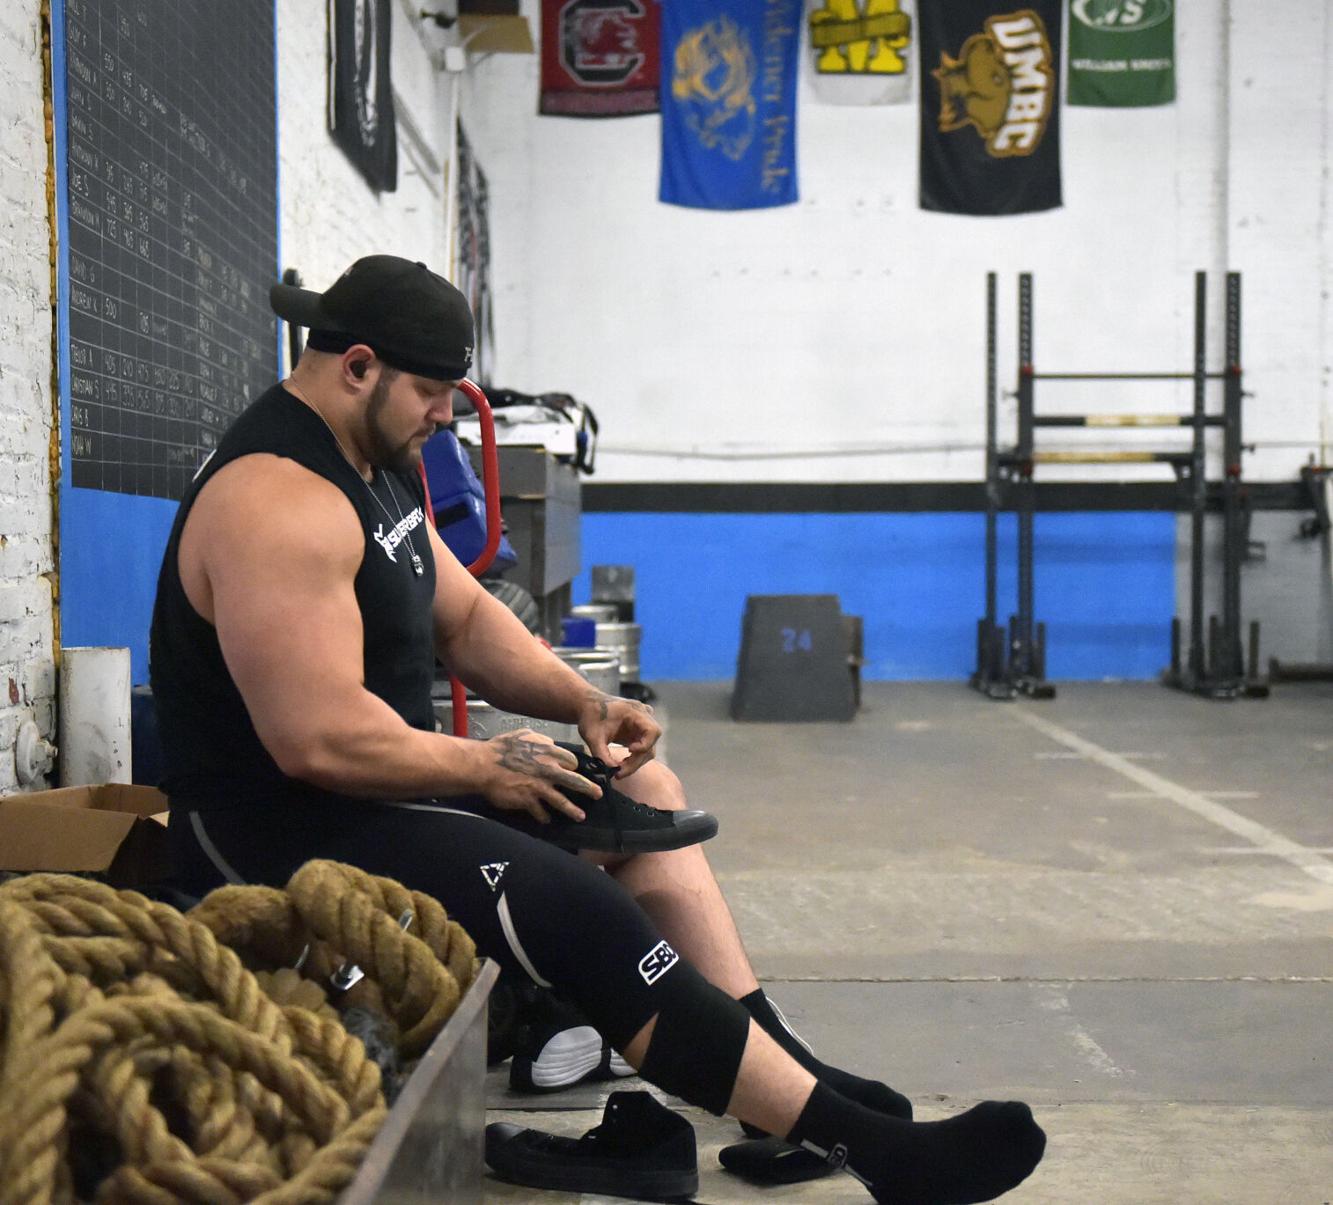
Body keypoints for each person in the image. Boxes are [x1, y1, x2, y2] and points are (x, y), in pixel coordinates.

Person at [149, 255, 1045, 1202]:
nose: (444, 415)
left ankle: (779, 1083)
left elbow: (460, 617)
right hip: (277, 830)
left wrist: (576, 701)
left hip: (375, 787)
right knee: (578, 909)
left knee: (641, 790)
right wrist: (484, 764)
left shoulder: (375, 460)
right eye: (431, 392)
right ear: (358, 365)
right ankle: (877, 1152)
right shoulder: (276, 499)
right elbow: (316, 741)